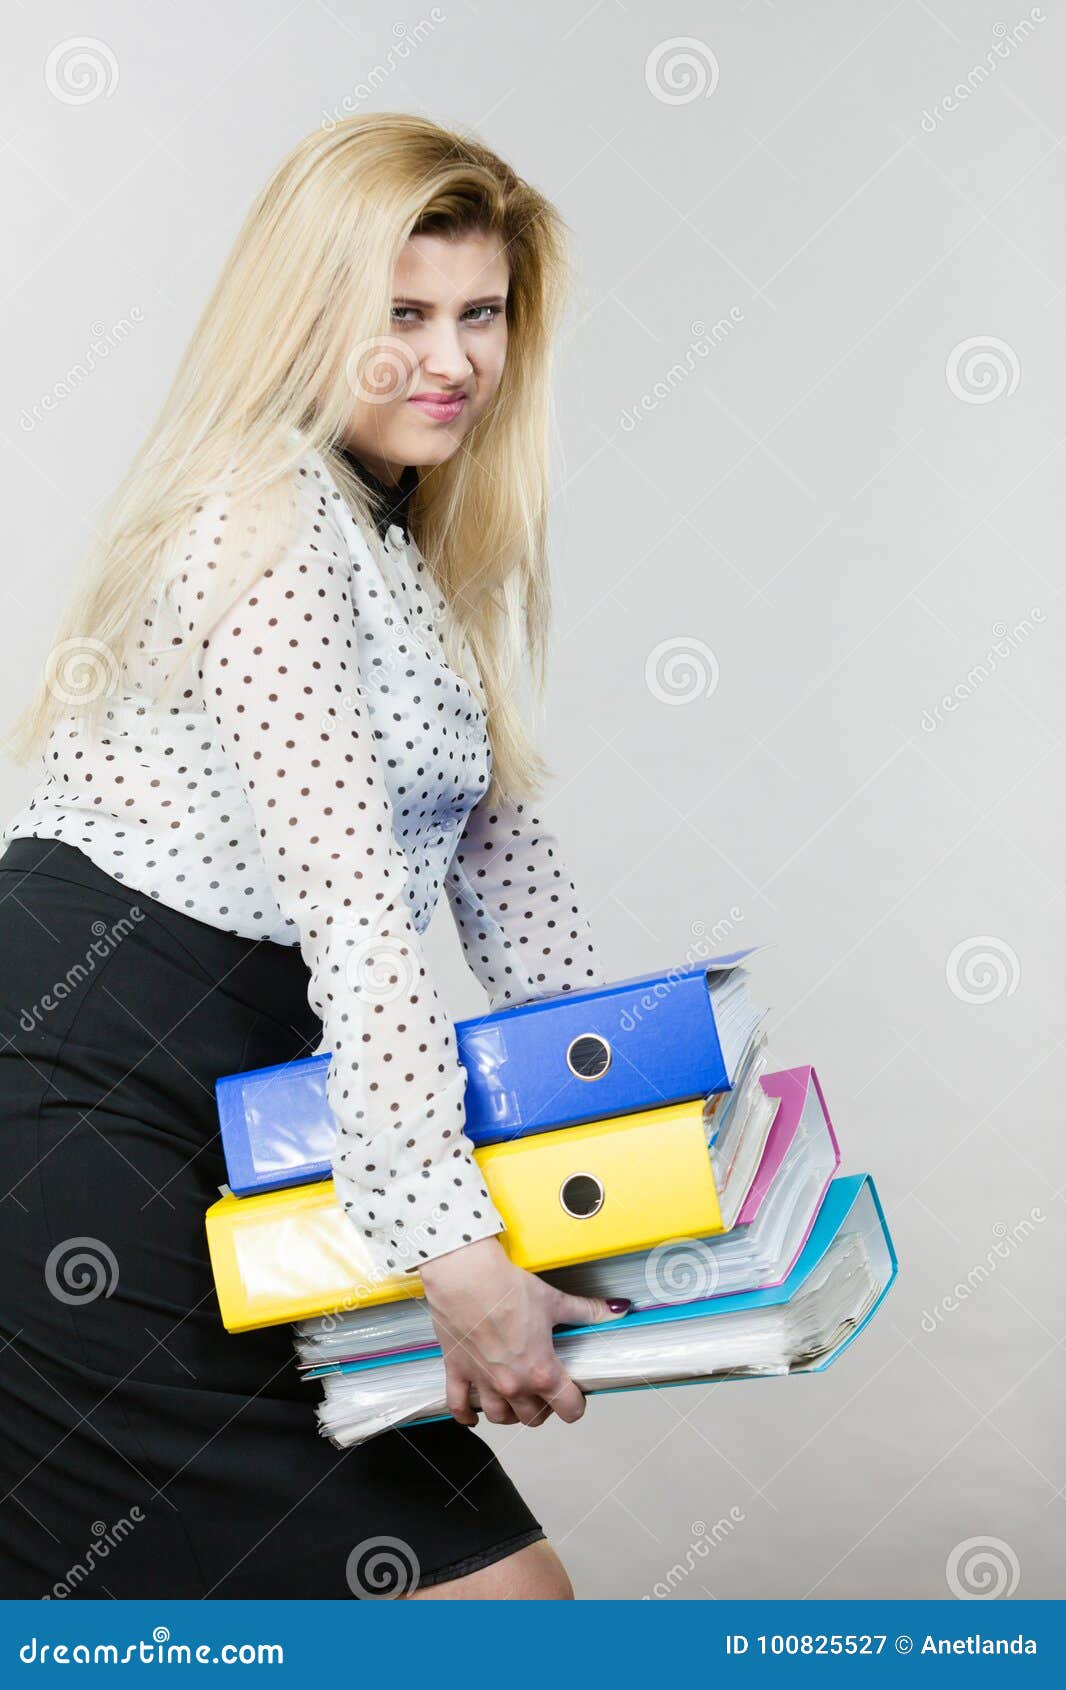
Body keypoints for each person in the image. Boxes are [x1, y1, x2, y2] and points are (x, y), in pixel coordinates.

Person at [0, 111, 627, 1601]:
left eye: (479, 314)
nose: (452, 358)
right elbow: (355, 915)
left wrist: (627, 1161)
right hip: (70, 1103)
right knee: (498, 1607)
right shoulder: (266, 518)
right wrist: (457, 1254)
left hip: (227, 1132)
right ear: (309, 314)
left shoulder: (408, 558)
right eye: (400, 314)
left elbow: (520, 910)